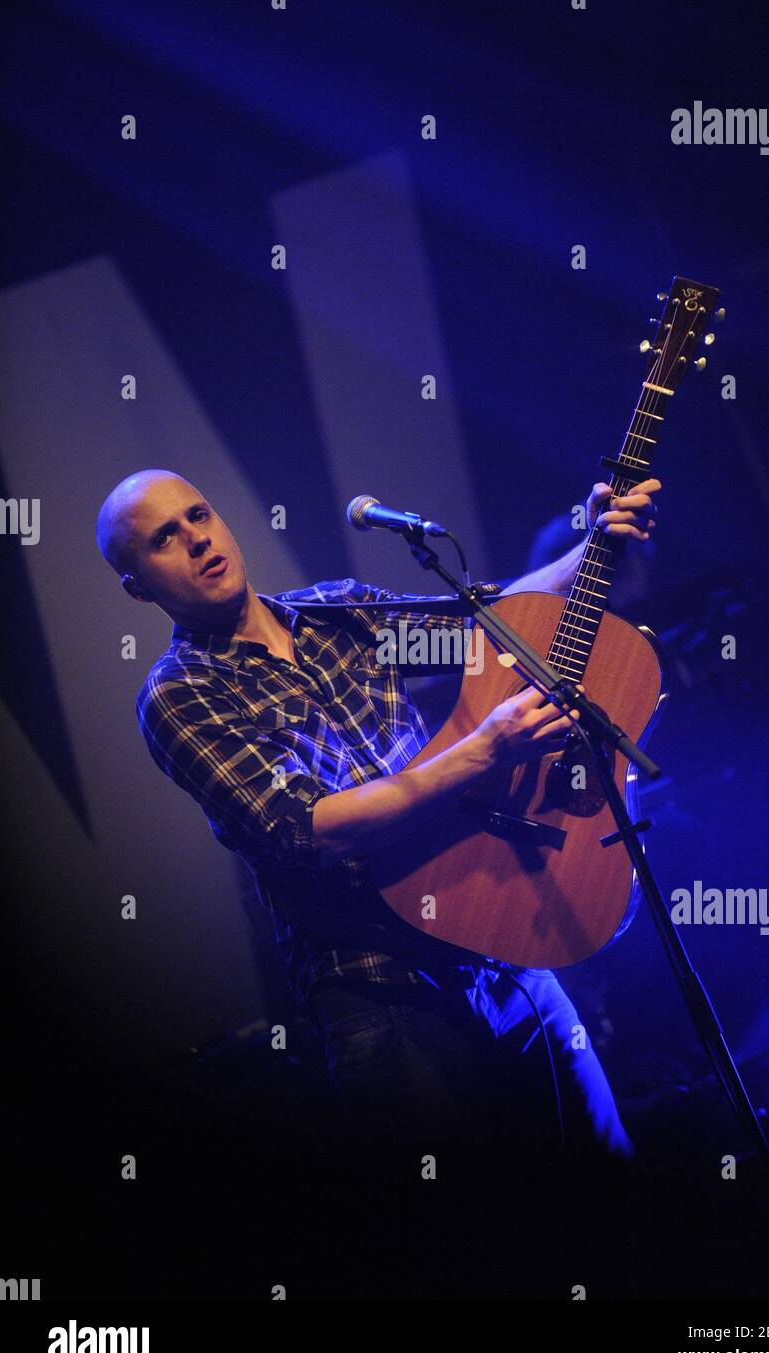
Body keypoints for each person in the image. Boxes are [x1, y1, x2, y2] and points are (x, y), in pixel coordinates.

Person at [96, 469, 659, 1170]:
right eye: (163, 539)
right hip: (379, 995)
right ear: (138, 585)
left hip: (496, 946)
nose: (197, 539)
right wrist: (484, 751)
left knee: (614, 1180)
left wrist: (589, 544)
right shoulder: (180, 695)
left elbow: (487, 630)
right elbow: (311, 830)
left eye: (198, 514)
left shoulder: (339, 614)